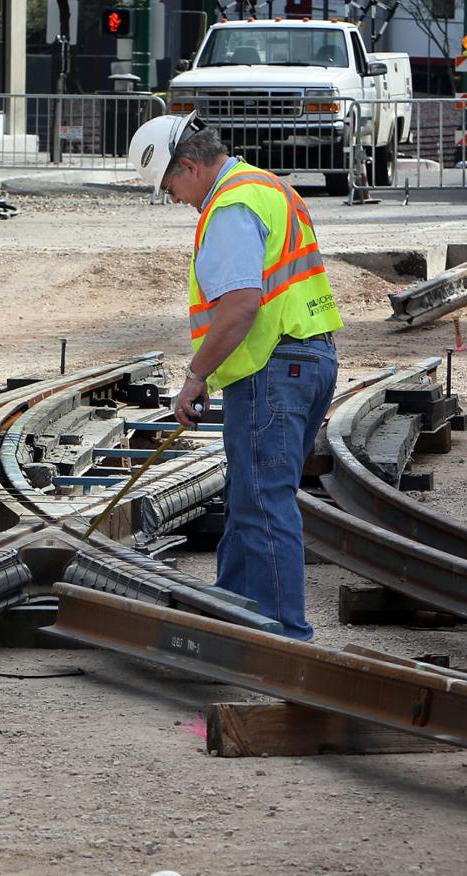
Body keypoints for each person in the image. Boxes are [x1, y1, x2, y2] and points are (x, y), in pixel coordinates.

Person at [126, 113, 343, 641]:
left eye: (169, 185)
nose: (174, 198)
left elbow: (242, 303)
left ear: (190, 166)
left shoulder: (230, 206)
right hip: (308, 358)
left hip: (273, 368)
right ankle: (235, 616)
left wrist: (196, 375)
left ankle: (278, 636)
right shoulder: (269, 187)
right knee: (251, 498)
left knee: (264, 502)